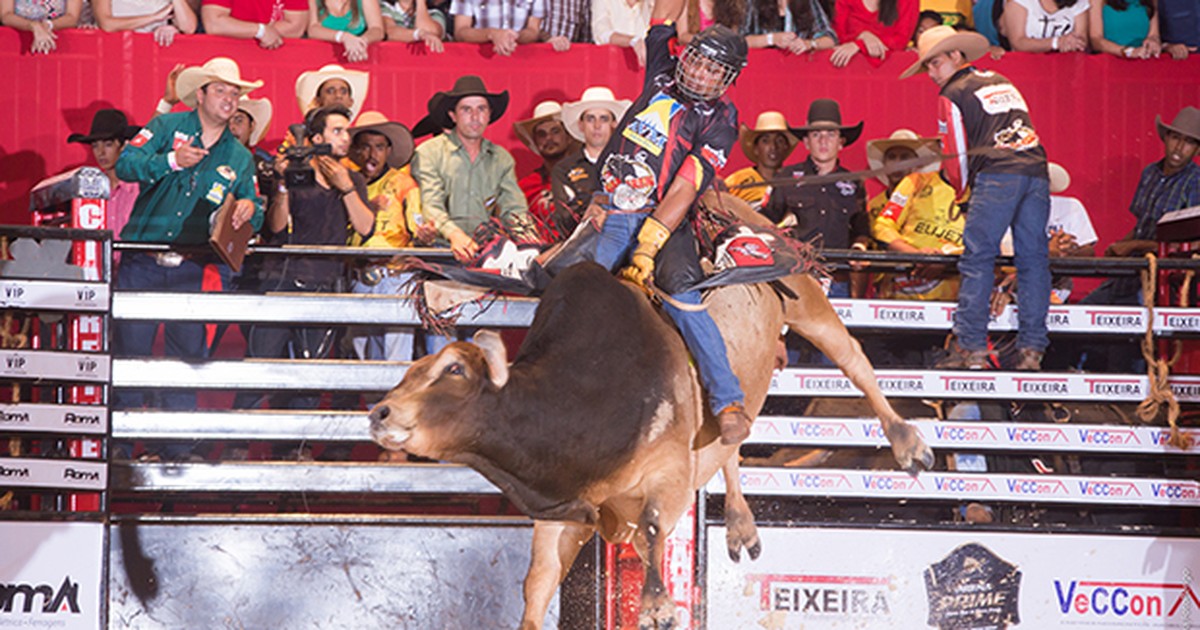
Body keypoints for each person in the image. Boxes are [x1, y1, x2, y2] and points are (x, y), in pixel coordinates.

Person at [586, 0, 754, 445]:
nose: (699, 74)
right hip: (610, 206)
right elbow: (661, 17)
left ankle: (727, 399)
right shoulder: (662, 68)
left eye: (712, 71)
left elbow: (685, 186)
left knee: (682, 293)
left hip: (664, 218)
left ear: (727, 79)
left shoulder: (721, 120)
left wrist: (648, 246)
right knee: (575, 286)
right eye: (696, 61)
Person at [113, 57, 265, 418]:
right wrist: (170, 161)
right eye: (221, 91)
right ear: (201, 94)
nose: (229, 99)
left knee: (187, 360)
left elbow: (255, 207)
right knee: (130, 353)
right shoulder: (166, 126)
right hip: (144, 260)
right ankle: (122, 442)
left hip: (195, 268)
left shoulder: (240, 156)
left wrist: (247, 211)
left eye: (235, 93)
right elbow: (125, 164)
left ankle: (174, 449)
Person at [901, 25, 1050, 371]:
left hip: (997, 174)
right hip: (1035, 169)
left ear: (956, 56)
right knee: (1033, 261)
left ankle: (970, 347)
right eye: (928, 66)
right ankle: (1032, 350)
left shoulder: (952, 93)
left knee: (978, 258)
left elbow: (955, 154)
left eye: (935, 63)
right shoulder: (1000, 80)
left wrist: (962, 194)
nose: (932, 73)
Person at [237, 105, 373, 411]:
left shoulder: (353, 179)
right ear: (316, 138)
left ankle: (297, 448)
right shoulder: (299, 173)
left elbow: (365, 227)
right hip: (281, 281)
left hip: (325, 283)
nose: (345, 138)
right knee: (261, 362)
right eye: (336, 131)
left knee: (311, 370)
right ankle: (238, 441)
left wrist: (346, 188)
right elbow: (275, 226)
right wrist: (284, 183)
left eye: (346, 131)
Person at [1081, 107, 1200, 314]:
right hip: (1130, 274)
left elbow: (1192, 245)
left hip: (1163, 284)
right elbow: (1142, 224)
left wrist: (1132, 245)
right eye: (1175, 138)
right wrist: (1121, 246)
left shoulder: (1195, 182)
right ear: (1166, 138)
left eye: (1189, 142)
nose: (1179, 147)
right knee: (1085, 314)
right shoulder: (1150, 173)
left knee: (1128, 329)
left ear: (1197, 150)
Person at [411, 75, 529, 262]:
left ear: (489, 114)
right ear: (453, 115)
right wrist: (454, 234)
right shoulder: (428, 152)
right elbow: (431, 204)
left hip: (487, 253)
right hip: (440, 252)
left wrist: (528, 238)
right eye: (466, 110)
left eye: (481, 109)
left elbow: (514, 208)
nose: (475, 117)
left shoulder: (501, 158)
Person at [762, 98, 871, 298]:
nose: (823, 141)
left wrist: (859, 247)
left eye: (831, 134)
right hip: (795, 279)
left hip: (837, 280)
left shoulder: (854, 183)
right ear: (806, 141)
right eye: (816, 134)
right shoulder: (785, 178)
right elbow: (764, 220)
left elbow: (861, 229)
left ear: (841, 142)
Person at [345, 111, 429, 364]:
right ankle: (371, 404)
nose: (372, 154)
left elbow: (418, 226)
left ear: (389, 151)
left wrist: (424, 236)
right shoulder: (348, 184)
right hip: (359, 275)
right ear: (356, 150)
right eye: (366, 147)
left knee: (396, 353)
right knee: (363, 352)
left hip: (394, 276)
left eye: (380, 147)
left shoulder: (404, 183)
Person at [866, 129, 963, 302]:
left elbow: (988, 244)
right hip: (899, 295)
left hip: (952, 298)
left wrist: (947, 258)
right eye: (948, 145)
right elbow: (882, 226)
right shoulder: (915, 181)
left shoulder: (985, 191)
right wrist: (916, 256)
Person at [551, 85, 631, 239]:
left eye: (604, 119)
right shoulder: (563, 169)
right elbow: (564, 218)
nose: (597, 126)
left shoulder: (628, 166)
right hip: (579, 246)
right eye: (590, 119)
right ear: (581, 125)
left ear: (614, 124)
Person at [62, 109, 143, 244]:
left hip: (133, 262)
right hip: (98, 262)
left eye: (108, 144)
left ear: (123, 146)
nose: (101, 152)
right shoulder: (89, 192)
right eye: (95, 146)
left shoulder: (139, 189)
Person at [514, 100, 574, 241]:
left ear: (569, 136)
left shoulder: (585, 177)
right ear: (535, 142)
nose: (549, 138)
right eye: (542, 134)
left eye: (555, 131)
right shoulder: (526, 186)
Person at [724, 111, 799, 211]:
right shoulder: (736, 182)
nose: (773, 147)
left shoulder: (795, 183)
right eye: (765, 141)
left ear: (786, 147)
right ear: (756, 148)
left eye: (779, 141)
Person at [831, 0, 919, 67]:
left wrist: (860, 44)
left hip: (890, 71)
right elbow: (836, 37)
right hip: (847, 69)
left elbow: (901, 40)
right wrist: (862, 35)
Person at [450, 0, 545, 56]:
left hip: (521, 61)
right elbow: (460, 32)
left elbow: (534, 30)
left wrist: (513, 37)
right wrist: (491, 34)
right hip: (479, 60)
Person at [201, 0, 307, 49]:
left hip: (272, 58)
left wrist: (265, 32)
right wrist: (260, 31)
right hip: (225, 56)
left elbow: (296, 27)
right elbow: (214, 24)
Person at [742, 0, 837, 53]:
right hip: (762, 73)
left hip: (797, 72)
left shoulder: (809, 3)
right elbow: (741, 42)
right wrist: (771, 39)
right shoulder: (753, 3)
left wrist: (809, 44)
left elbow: (831, 39)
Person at [306, 0, 385, 62]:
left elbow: (377, 29)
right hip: (321, 59)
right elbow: (313, 29)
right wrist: (343, 37)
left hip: (357, 59)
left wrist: (360, 42)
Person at [91, 0, 197, 46]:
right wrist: (154, 17)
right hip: (111, 51)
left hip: (151, 56)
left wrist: (173, 28)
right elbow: (107, 24)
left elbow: (188, 27)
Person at [998, 0, 1088, 52]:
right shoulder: (1019, 2)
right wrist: (1056, 42)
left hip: (1063, 66)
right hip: (1026, 65)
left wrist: (1073, 43)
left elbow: (1081, 40)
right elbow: (1018, 42)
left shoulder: (1079, 2)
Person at [294, 64, 370, 123]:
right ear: (317, 101)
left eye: (343, 92)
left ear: (351, 101)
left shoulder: (354, 141)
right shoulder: (306, 138)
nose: (338, 96)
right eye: (330, 91)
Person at [0, 0, 81, 54]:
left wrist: (47, 25)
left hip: (59, 44)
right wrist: (33, 26)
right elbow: (6, 15)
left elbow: (72, 17)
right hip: (16, 45)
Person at [1087, 0, 1161, 58]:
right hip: (1110, 62)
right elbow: (1096, 40)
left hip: (1143, 59)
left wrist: (1153, 41)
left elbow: (1154, 34)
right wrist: (1126, 52)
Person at [591, 0, 653, 65]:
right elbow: (601, 34)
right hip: (613, 67)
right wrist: (633, 41)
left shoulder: (653, 3)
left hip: (647, 70)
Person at [381, 0, 446, 50]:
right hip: (393, 60)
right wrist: (418, 34)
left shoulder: (434, 13)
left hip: (424, 63)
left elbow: (430, 32)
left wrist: (420, 2)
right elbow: (389, 31)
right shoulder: (383, 7)